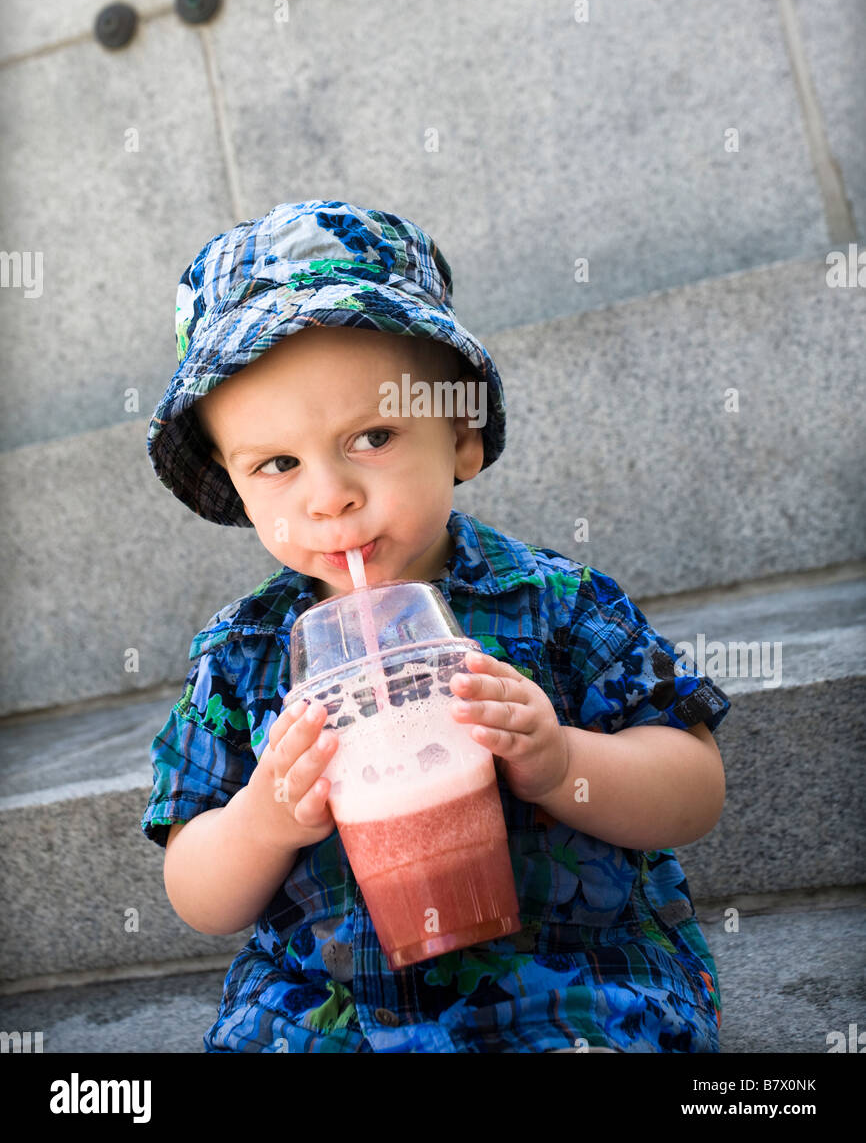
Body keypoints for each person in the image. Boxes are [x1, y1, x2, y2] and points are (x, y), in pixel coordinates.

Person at [142, 198, 730, 1053]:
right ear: (236, 486)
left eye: (372, 436)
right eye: (278, 463)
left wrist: (563, 761)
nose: (329, 493)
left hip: (567, 981)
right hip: (332, 1007)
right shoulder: (239, 658)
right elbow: (198, 893)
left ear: (461, 435)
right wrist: (262, 821)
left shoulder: (556, 602)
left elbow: (694, 789)